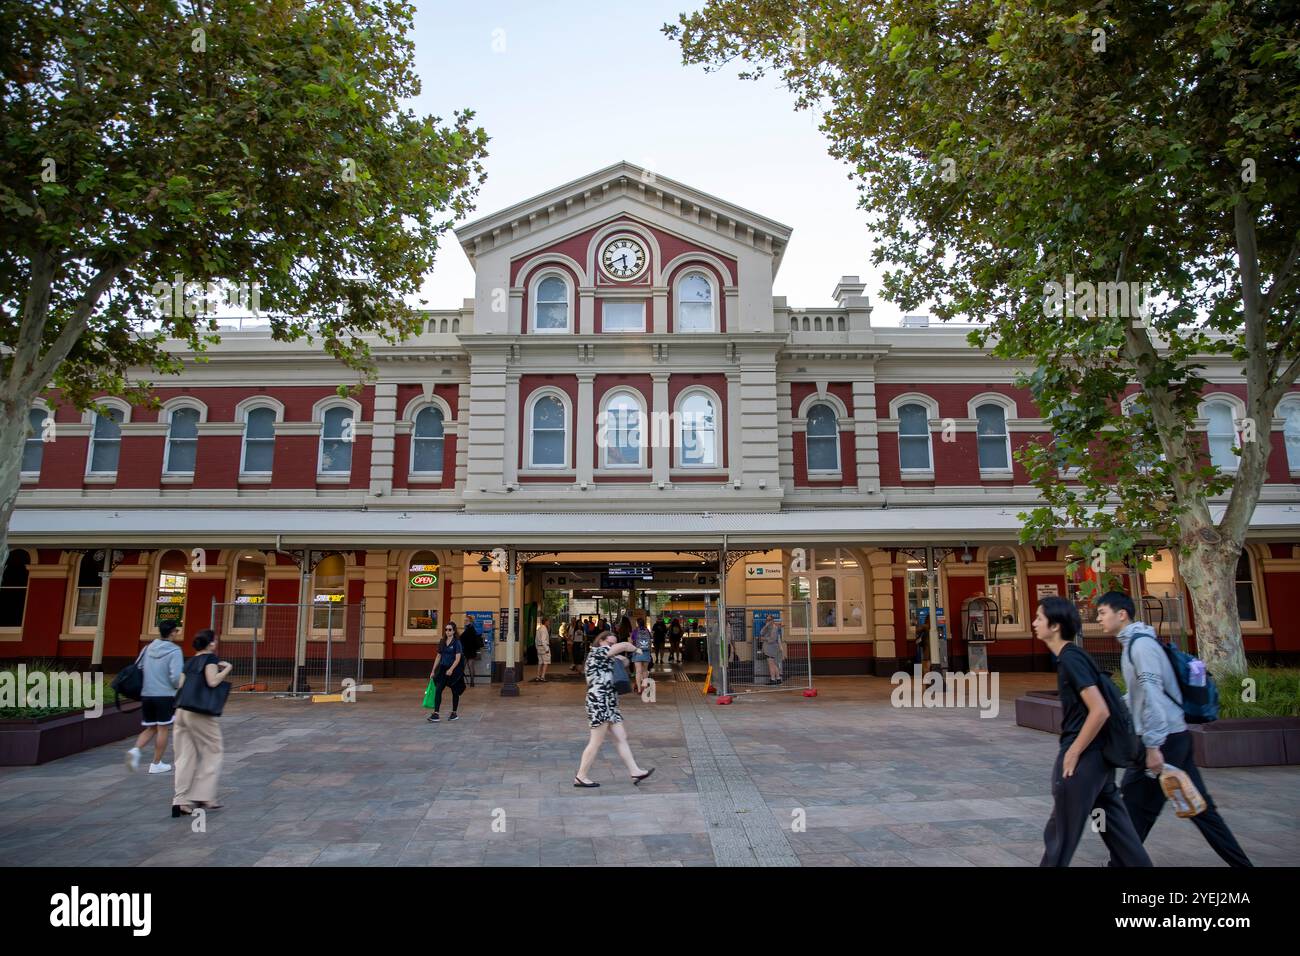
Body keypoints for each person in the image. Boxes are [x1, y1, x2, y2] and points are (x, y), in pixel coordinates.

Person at [1096, 591, 1253, 867]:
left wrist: (1154, 747)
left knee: (1135, 808)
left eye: (1102, 612)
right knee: (1198, 810)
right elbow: (1138, 697)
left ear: (1121, 614)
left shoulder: (1140, 647)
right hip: (1172, 737)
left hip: (1162, 740)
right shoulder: (1135, 644)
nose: (1098, 619)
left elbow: (1153, 696)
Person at [1033, 596, 1152, 867]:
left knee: (1059, 838)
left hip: (1084, 761)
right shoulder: (1074, 656)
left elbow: (1099, 710)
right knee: (1122, 837)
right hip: (1101, 764)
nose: (1034, 623)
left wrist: (1074, 752)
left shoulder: (1070, 659)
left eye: (1039, 618)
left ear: (1055, 625)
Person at [574, 629, 654, 788]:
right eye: (610, 643)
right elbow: (624, 646)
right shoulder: (596, 652)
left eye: (613, 643)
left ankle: (635, 771)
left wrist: (617, 655)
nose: (612, 646)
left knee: (621, 737)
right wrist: (635, 649)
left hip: (610, 703)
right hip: (599, 702)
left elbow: (624, 661)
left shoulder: (606, 655)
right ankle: (581, 776)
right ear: (601, 641)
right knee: (596, 742)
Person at [172, 629, 233, 817]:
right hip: (199, 712)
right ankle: (204, 794)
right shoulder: (210, 660)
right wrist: (227, 669)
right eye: (215, 640)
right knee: (213, 750)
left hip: (181, 711)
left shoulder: (188, 662)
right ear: (211, 644)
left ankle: (180, 799)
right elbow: (212, 681)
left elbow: (179, 685)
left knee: (184, 756)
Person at [126, 618, 184, 774]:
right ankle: (156, 763)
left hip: (147, 694)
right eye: (176, 631)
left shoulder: (147, 648)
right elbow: (175, 677)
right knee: (163, 728)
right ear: (173, 632)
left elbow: (139, 667)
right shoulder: (175, 651)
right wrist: (178, 686)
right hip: (164, 694)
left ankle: (135, 750)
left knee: (152, 727)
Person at [427, 622, 465, 722]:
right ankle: (436, 713)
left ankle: (454, 713)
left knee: (455, 691)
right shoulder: (442, 642)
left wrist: (451, 669)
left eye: (449, 630)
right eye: (446, 630)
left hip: (454, 670)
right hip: (443, 669)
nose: (447, 632)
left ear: (454, 631)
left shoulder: (457, 643)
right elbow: (438, 656)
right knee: (438, 689)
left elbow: (458, 658)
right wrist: (433, 671)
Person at [630, 615, 653, 694]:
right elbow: (650, 642)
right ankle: (645, 688)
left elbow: (631, 642)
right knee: (645, 671)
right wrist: (650, 652)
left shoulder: (635, 631)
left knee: (638, 671)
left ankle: (639, 689)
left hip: (637, 652)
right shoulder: (647, 631)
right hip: (646, 652)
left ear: (637, 623)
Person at [760, 614, 784, 684]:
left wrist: (764, 638)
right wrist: (766, 626)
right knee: (774, 664)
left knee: (771, 665)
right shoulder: (768, 627)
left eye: (769, 620)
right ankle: (778, 678)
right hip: (769, 648)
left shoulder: (774, 628)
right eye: (767, 620)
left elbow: (772, 639)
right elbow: (761, 632)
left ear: (772, 620)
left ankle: (773, 679)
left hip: (771, 649)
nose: (768, 621)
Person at [460, 614, 482, 688]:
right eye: (464, 620)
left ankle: (462, 681)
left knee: (463, 666)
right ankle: (472, 682)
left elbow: (461, 638)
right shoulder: (472, 629)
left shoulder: (469, 629)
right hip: (471, 651)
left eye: (466, 620)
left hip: (467, 650)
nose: (465, 622)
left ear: (470, 622)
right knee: (470, 666)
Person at [532, 616, 551, 682]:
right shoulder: (544, 629)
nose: (549, 622)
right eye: (548, 621)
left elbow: (536, 640)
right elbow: (543, 640)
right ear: (545, 622)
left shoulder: (539, 628)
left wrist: (537, 647)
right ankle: (542, 676)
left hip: (539, 647)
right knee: (546, 662)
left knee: (540, 662)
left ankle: (538, 676)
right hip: (544, 647)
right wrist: (546, 649)